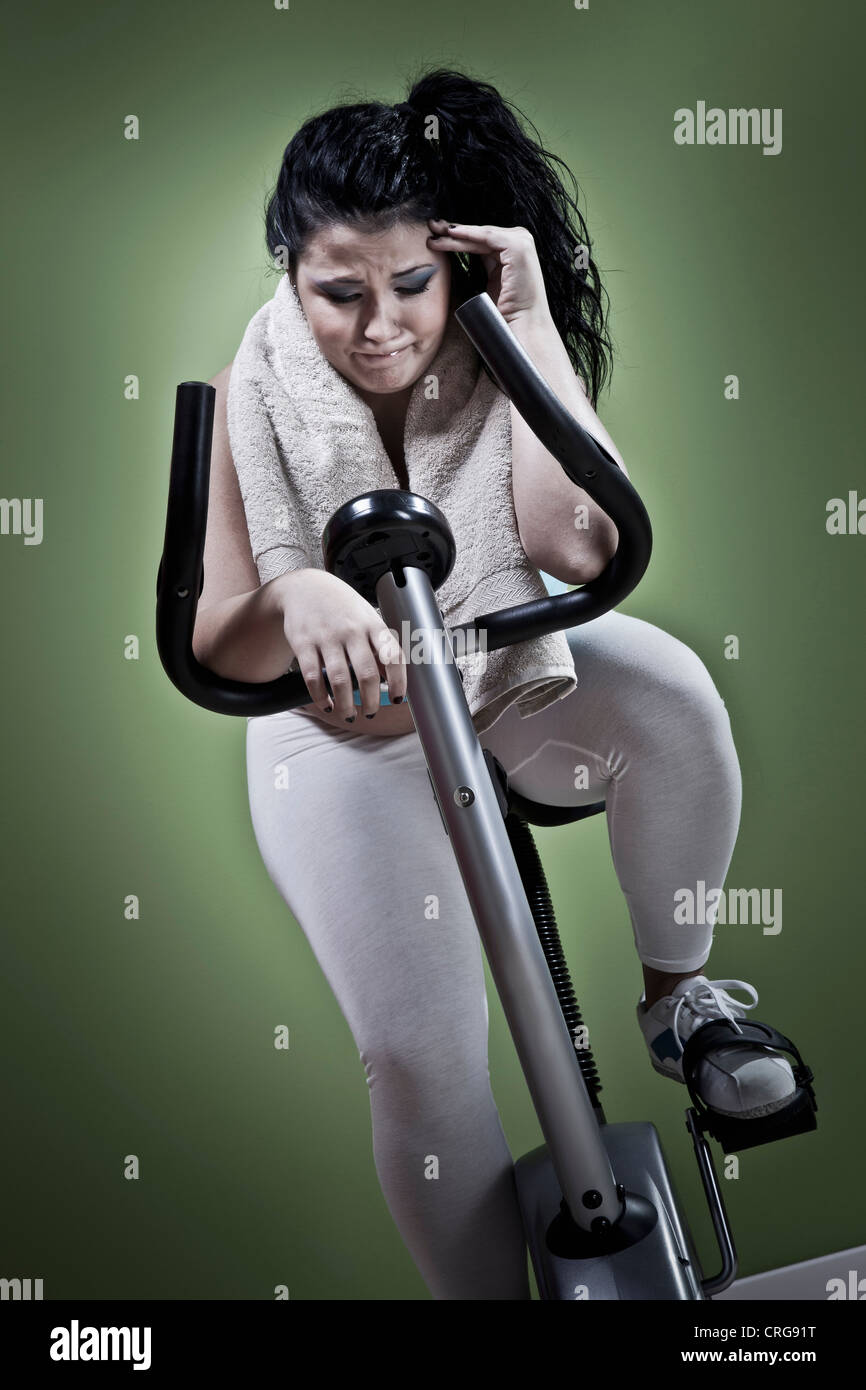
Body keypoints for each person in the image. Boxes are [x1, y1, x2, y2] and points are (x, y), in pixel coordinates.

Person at [192, 67, 796, 1300]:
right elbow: (217, 642)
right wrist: (293, 595)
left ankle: (678, 1003)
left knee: (672, 696)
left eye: (411, 283)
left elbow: (579, 549)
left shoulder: (489, 339)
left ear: (452, 265)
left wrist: (524, 325)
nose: (380, 327)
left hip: (499, 665)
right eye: (338, 293)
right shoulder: (248, 396)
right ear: (286, 273)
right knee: (416, 1062)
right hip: (342, 728)